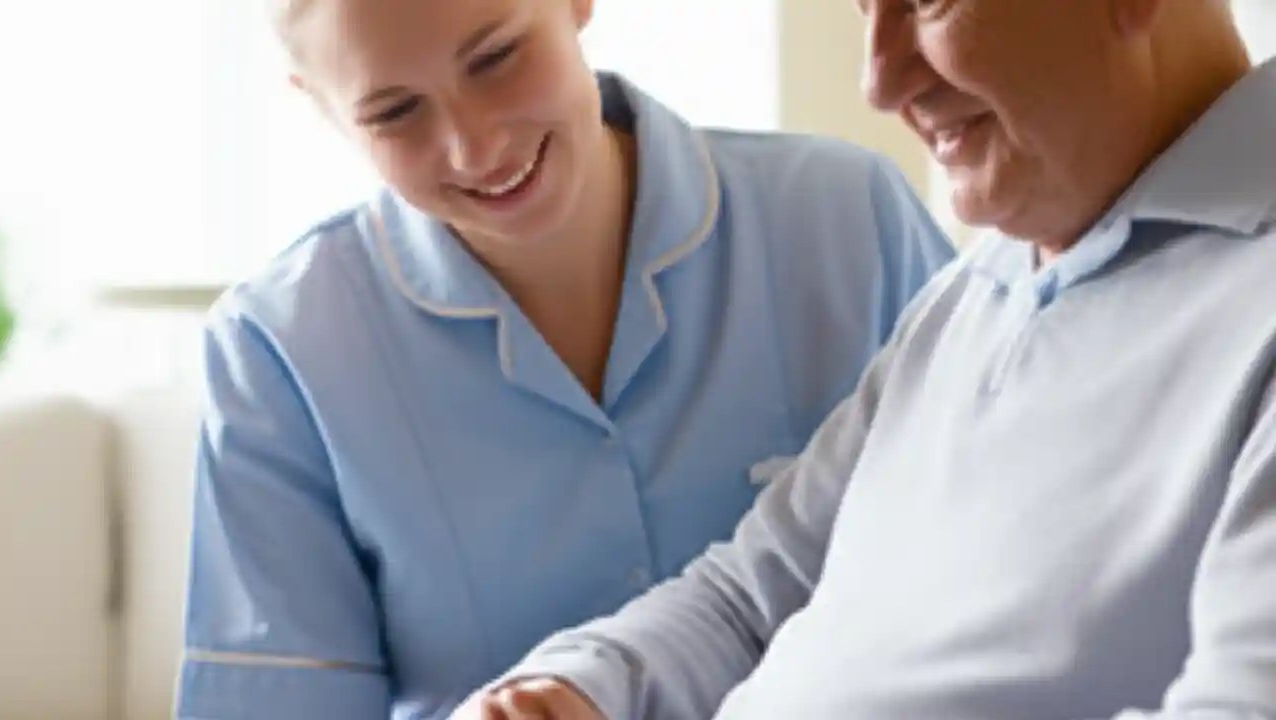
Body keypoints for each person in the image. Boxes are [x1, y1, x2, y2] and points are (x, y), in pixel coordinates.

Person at [464, 0, 1276, 717]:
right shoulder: (974, 293)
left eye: (926, 3)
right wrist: (576, 692)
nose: (880, 83)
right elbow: (750, 598)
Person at [174, 0, 955, 717]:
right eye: (395, 111)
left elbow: (1002, 575)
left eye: (497, 58)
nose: (473, 146)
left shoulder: (850, 219)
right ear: (320, 105)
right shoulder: (278, 351)